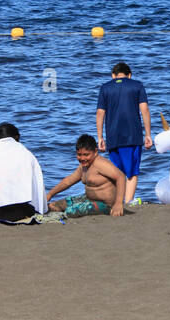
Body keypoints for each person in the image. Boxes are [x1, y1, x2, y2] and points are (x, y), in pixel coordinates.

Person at [96, 62, 152, 204]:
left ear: (113, 75)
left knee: (117, 172)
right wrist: (148, 134)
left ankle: (118, 201)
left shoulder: (105, 88)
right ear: (129, 75)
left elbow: (100, 113)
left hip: (113, 136)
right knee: (132, 172)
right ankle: (128, 202)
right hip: (133, 135)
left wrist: (100, 137)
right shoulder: (137, 85)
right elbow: (144, 110)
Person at [47, 134, 126, 218]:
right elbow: (68, 181)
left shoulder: (100, 164)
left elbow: (120, 176)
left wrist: (118, 203)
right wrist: (50, 194)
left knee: (70, 211)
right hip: (88, 199)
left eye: (86, 154)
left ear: (95, 152)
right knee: (54, 205)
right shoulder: (83, 167)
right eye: (79, 154)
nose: (82, 158)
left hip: (105, 205)